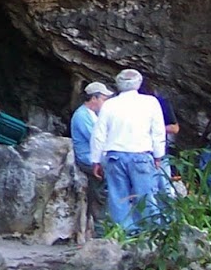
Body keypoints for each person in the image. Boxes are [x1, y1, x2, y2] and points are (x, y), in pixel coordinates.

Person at [88, 68, 168, 232]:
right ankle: (150, 234)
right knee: (145, 196)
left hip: (115, 156)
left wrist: (95, 160)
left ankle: (126, 235)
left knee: (118, 198)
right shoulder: (151, 102)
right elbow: (158, 131)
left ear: (118, 84)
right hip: (141, 156)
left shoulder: (110, 104)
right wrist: (159, 155)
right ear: (139, 83)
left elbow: (99, 134)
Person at [70, 81, 112, 232]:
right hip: (88, 158)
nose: (105, 102)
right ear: (94, 98)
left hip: (97, 156)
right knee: (106, 183)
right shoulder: (82, 116)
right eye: (104, 99)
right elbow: (96, 139)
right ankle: (102, 227)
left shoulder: (92, 114)